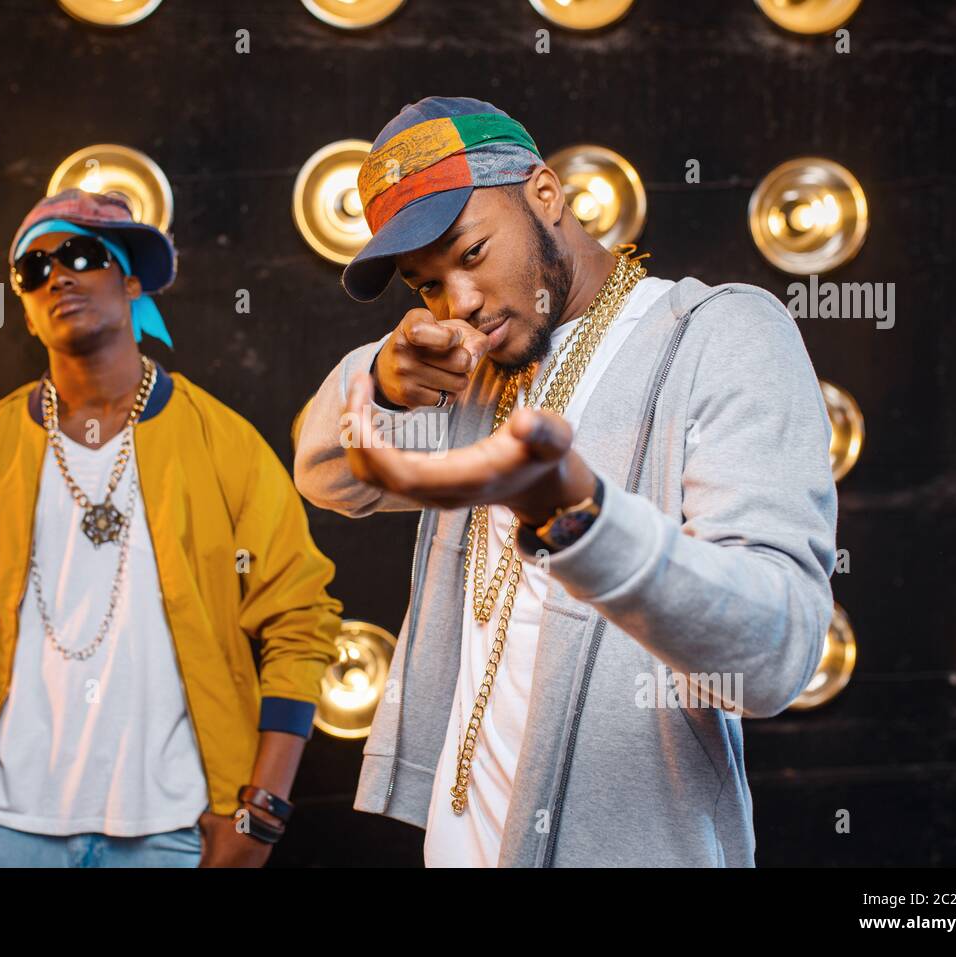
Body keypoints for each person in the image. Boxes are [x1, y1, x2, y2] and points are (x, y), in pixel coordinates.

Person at [294, 96, 838, 867]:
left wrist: (583, 523)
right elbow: (323, 472)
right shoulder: (477, 372)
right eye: (426, 285)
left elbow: (775, 651)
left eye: (472, 251)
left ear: (546, 195)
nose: (460, 302)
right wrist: (382, 379)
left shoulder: (720, 336)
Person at [0, 189, 342, 868]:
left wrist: (262, 810)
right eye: (31, 270)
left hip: (177, 827)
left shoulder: (223, 445)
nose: (56, 275)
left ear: (131, 280)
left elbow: (299, 615)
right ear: (28, 310)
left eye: (81, 254)